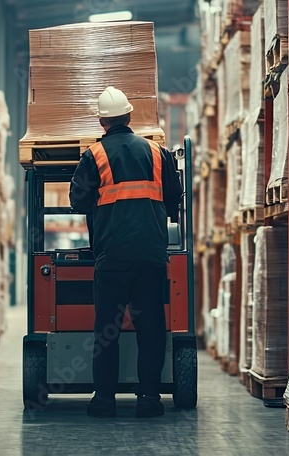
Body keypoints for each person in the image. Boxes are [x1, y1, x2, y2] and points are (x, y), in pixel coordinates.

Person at [69, 86, 183, 419]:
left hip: (112, 256)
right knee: (151, 328)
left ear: (102, 121)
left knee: (107, 329)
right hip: (150, 254)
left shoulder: (95, 155)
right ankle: (149, 398)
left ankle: (104, 399)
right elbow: (175, 197)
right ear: (130, 116)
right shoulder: (157, 152)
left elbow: (78, 202)